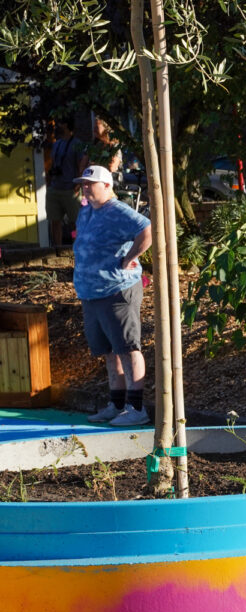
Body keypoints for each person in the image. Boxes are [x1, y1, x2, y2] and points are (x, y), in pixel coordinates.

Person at [72, 165, 153, 427]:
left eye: (90, 183)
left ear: (107, 186)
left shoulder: (119, 210)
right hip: (91, 293)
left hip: (117, 290)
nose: (85, 187)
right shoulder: (85, 211)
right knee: (108, 351)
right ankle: (117, 405)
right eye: (83, 183)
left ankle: (136, 408)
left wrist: (131, 258)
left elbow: (146, 230)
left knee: (128, 348)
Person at [45, 118, 87, 248]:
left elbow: (81, 163)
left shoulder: (77, 143)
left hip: (70, 188)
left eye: (62, 123)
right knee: (55, 220)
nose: (58, 125)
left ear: (68, 126)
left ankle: (76, 247)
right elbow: (51, 164)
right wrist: (49, 182)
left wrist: (78, 183)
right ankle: (56, 248)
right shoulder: (57, 144)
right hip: (55, 187)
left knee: (75, 222)